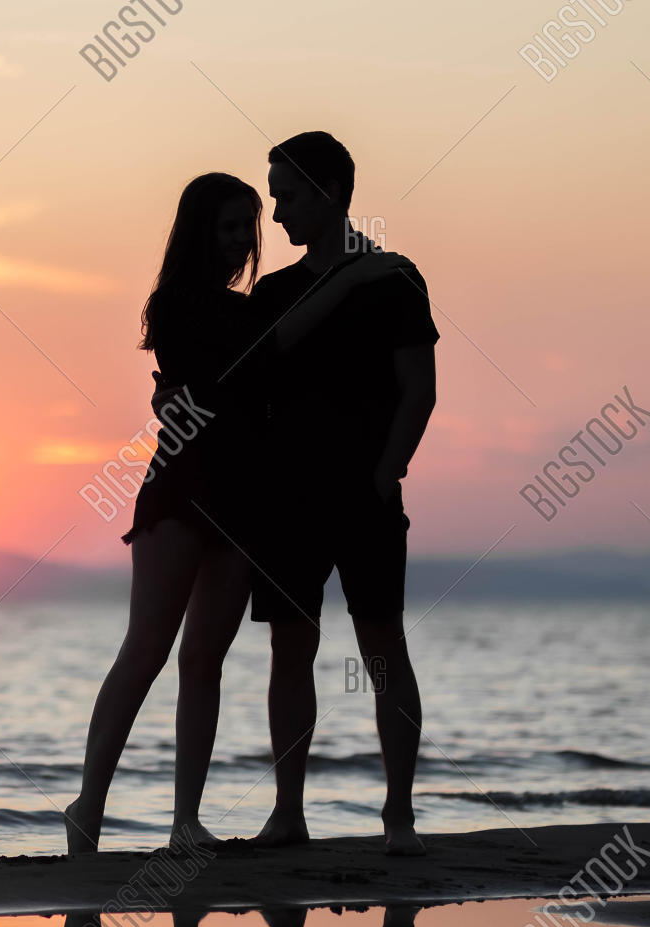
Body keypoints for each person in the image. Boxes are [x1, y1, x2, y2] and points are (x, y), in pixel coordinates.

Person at [64, 171, 412, 855]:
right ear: (199, 231)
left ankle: (184, 821)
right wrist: (346, 278)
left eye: (246, 230)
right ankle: (87, 807)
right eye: (226, 228)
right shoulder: (175, 305)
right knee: (146, 651)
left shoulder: (248, 307)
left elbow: (271, 374)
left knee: (205, 662)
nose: (239, 242)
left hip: (242, 500)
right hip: (180, 491)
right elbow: (248, 362)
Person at [241, 132, 439, 857]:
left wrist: (386, 472)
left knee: (383, 647)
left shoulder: (395, 279)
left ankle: (399, 817)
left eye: (288, 196)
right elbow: (263, 368)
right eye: (273, 195)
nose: (278, 210)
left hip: (364, 496)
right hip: (287, 498)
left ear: (330, 193)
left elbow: (420, 390)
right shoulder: (277, 292)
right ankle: (288, 815)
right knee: (289, 652)